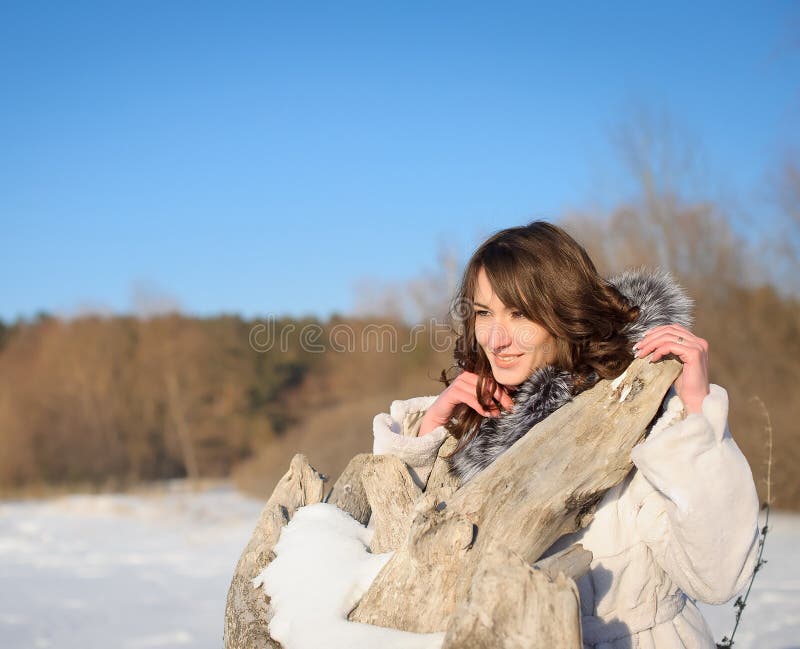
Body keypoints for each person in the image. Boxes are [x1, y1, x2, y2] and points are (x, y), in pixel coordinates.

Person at [372, 221, 759, 649]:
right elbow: (397, 561)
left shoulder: (638, 416)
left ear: (565, 311)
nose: (496, 339)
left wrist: (696, 415)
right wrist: (432, 431)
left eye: (519, 313)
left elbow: (718, 576)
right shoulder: (478, 420)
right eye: (484, 313)